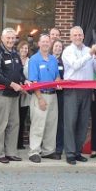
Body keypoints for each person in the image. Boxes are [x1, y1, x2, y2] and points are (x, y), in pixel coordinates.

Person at [0, 27, 29, 164]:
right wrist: (12, 84)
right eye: (8, 38)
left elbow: (19, 72)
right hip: (2, 94)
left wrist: (24, 80)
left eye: (13, 38)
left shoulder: (15, 53)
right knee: (1, 124)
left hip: (15, 95)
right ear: (2, 38)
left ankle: (11, 152)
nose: (11, 40)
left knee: (14, 124)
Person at [61, 26, 96, 165]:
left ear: (83, 36)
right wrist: (90, 55)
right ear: (71, 37)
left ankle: (77, 152)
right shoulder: (68, 51)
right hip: (72, 90)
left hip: (87, 89)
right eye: (75, 35)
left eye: (80, 35)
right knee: (70, 122)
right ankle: (69, 153)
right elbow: (75, 66)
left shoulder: (89, 50)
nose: (77, 37)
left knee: (83, 122)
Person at [26, 34, 61, 163]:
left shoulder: (53, 59)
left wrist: (58, 82)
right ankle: (34, 151)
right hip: (40, 95)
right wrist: (40, 98)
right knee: (38, 125)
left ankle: (48, 150)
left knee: (51, 124)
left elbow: (56, 76)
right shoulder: (34, 60)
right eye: (43, 42)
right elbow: (34, 81)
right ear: (39, 44)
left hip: (53, 95)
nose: (46, 44)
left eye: (48, 42)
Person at [51, 38, 65, 159]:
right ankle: (47, 148)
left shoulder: (64, 61)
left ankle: (59, 149)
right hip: (48, 93)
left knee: (60, 122)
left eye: (60, 46)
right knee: (49, 121)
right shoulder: (48, 60)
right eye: (56, 46)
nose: (58, 48)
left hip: (61, 95)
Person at [16, 41, 31, 150]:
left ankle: (20, 143)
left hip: (26, 94)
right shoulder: (15, 60)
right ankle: (13, 142)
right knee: (14, 119)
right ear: (19, 49)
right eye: (22, 48)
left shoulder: (30, 62)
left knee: (22, 119)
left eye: (26, 48)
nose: (24, 50)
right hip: (15, 92)